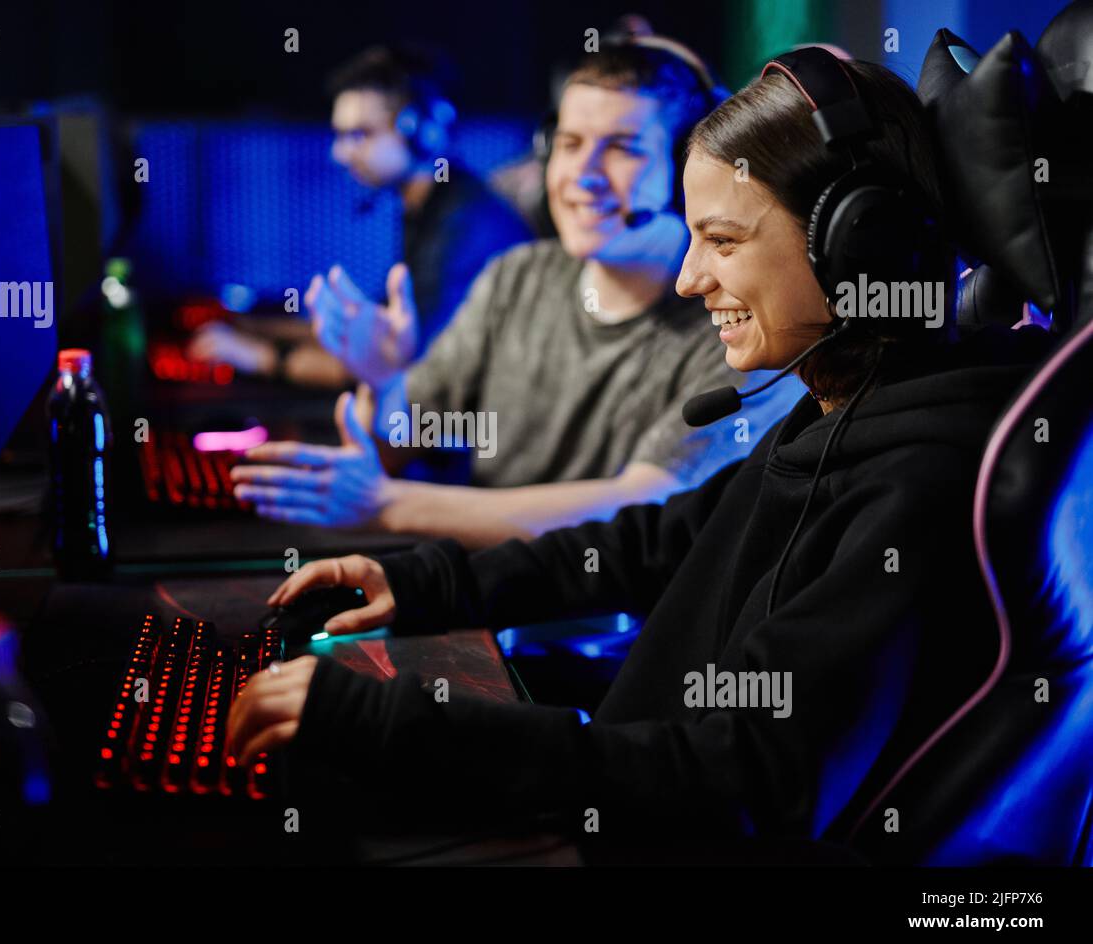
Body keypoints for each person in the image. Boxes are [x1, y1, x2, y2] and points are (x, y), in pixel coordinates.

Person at [225, 50, 1051, 853]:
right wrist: (425, 581)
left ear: (854, 248)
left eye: (722, 242)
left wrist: (389, 724)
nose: (692, 279)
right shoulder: (846, 409)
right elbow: (662, 537)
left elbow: (743, 782)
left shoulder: (918, 482)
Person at [231, 37, 805, 548]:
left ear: (691, 169)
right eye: (571, 142)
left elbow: (645, 506)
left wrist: (389, 505)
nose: (583, 175)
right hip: (474, 605)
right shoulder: (517, 278)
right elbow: (394, 446)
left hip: (600, 651)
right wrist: (383, 381)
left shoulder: (735, 327)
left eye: (623, 147)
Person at [189, 44, 530, 388]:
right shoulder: (430, 209)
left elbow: (399, 364)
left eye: (360, 135)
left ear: (422, 132)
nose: (340, 153)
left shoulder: (465, 225)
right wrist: (252, 327)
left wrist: (259, 356)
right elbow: (376, 328)